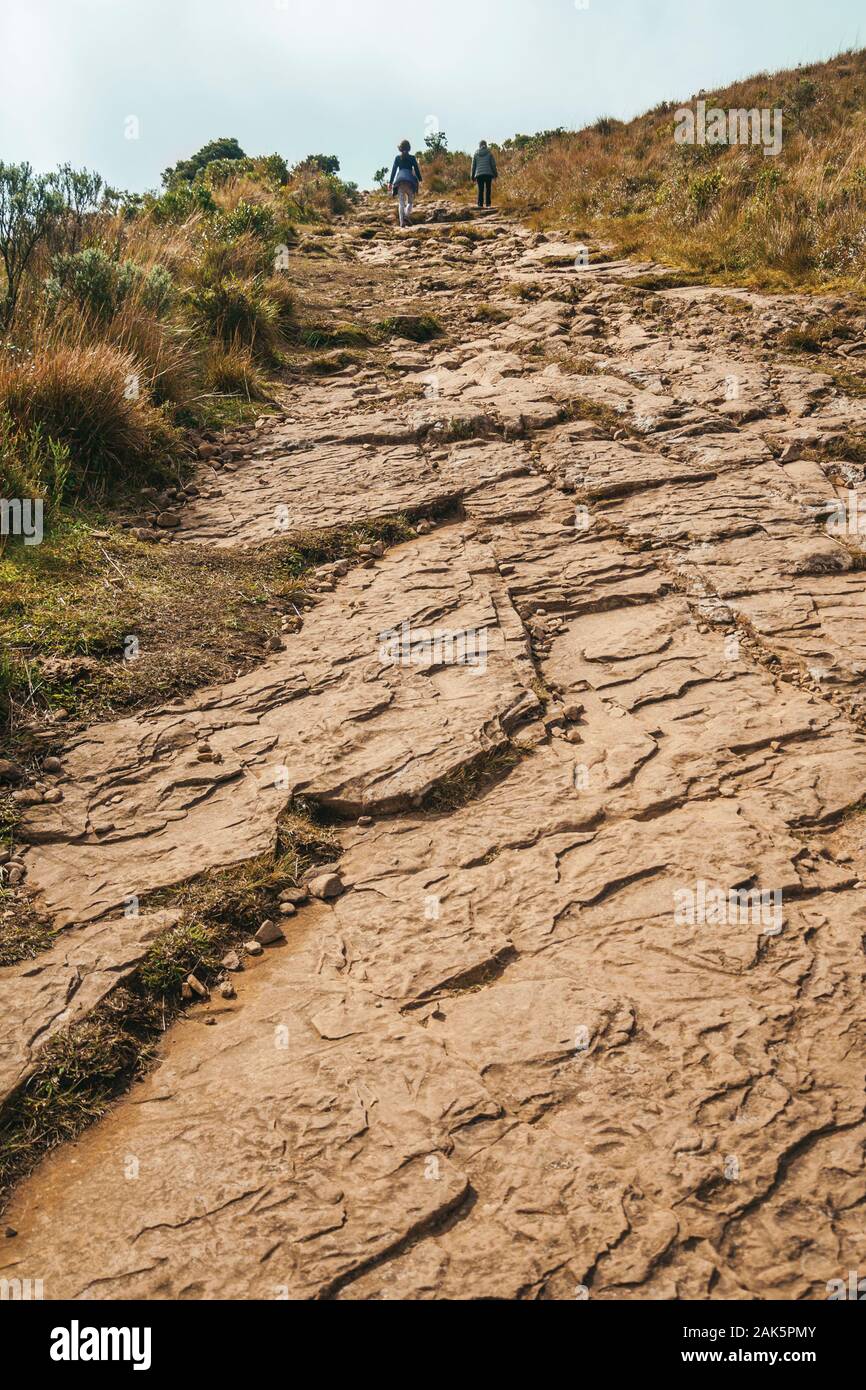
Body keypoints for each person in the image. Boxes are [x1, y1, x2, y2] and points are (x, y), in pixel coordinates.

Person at [388, 140, 422, 228]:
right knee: (410, 202)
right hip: (410, 181)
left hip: (400, 181)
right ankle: (406, 215)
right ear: (409, 148)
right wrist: (420, 180)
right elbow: (417, 170)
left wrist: (391, 182)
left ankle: (402, 222)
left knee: (401, 203)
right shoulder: (412, 158)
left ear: (400, 148)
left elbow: (394, 171)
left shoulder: (397, 158)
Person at [471, 140, 498, 208]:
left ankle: (480, 204)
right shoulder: (489, 153)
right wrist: (495, 174)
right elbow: (493, 165)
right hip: (488, 173)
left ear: (479, 145)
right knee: (488, 189)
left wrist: (472, 176)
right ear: (486, 145)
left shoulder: (476, 154)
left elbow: (473, 166)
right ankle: (488, 204)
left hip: (479, 174)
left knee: (480, 189)